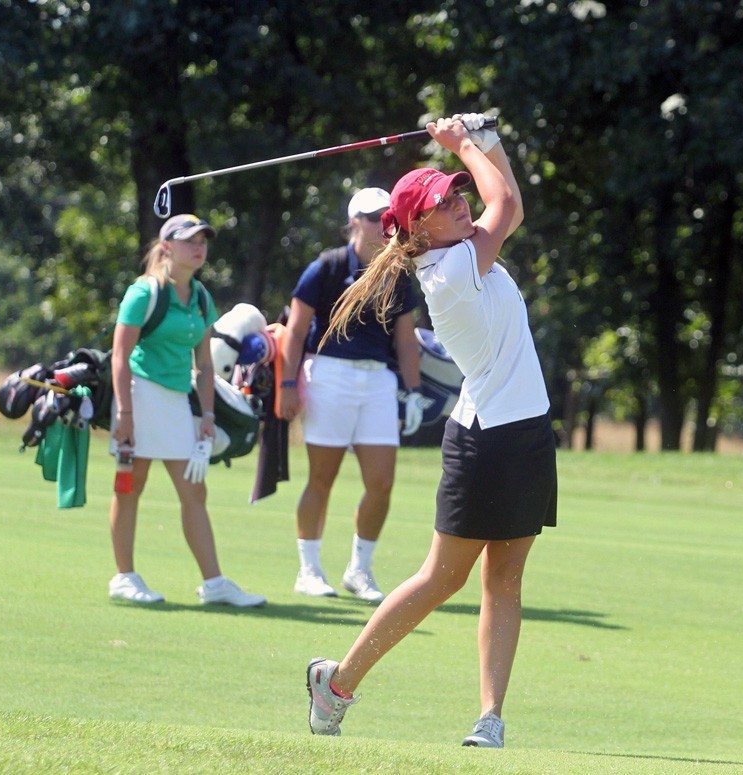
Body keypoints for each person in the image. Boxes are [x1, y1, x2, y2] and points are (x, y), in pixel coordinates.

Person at [304, 113, 557, 748]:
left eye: (456, 192)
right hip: (486, 440)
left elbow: (506, 200)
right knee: (444, 577)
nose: (460, 201)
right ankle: (336, 684)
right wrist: (464, 144)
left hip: (525, 433)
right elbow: (503, 199)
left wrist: (485, 138)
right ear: (420, 227)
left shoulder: (467, 248)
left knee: (507, 580)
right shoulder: (448, 272)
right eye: (445, 201)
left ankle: (490, 719)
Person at [107, 213, 266, 608]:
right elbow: (120, 358)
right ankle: (124, 577)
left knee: (194, 491)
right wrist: (125, 415)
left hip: (177, 401)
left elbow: (205, 366)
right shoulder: (143, 292)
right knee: (130, 485)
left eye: (203, 241)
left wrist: (209, 418)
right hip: (138, 396)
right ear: (167, 248)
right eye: (189, 241)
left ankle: (214, 584)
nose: (199, 248)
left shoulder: (200, 296)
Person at [278, 188, 424, 603]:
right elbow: (295, 330)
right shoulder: (326, 267)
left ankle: (360, 570)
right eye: (373, 217)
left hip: (378, 381)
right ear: (354, 221)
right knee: (321, 479)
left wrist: (412, 393)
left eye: (387, 217)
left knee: (381, 482)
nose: (383, 224)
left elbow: (407, 340)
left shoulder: (396, 273)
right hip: (329, 375)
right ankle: (308, 570)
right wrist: (288, 384)